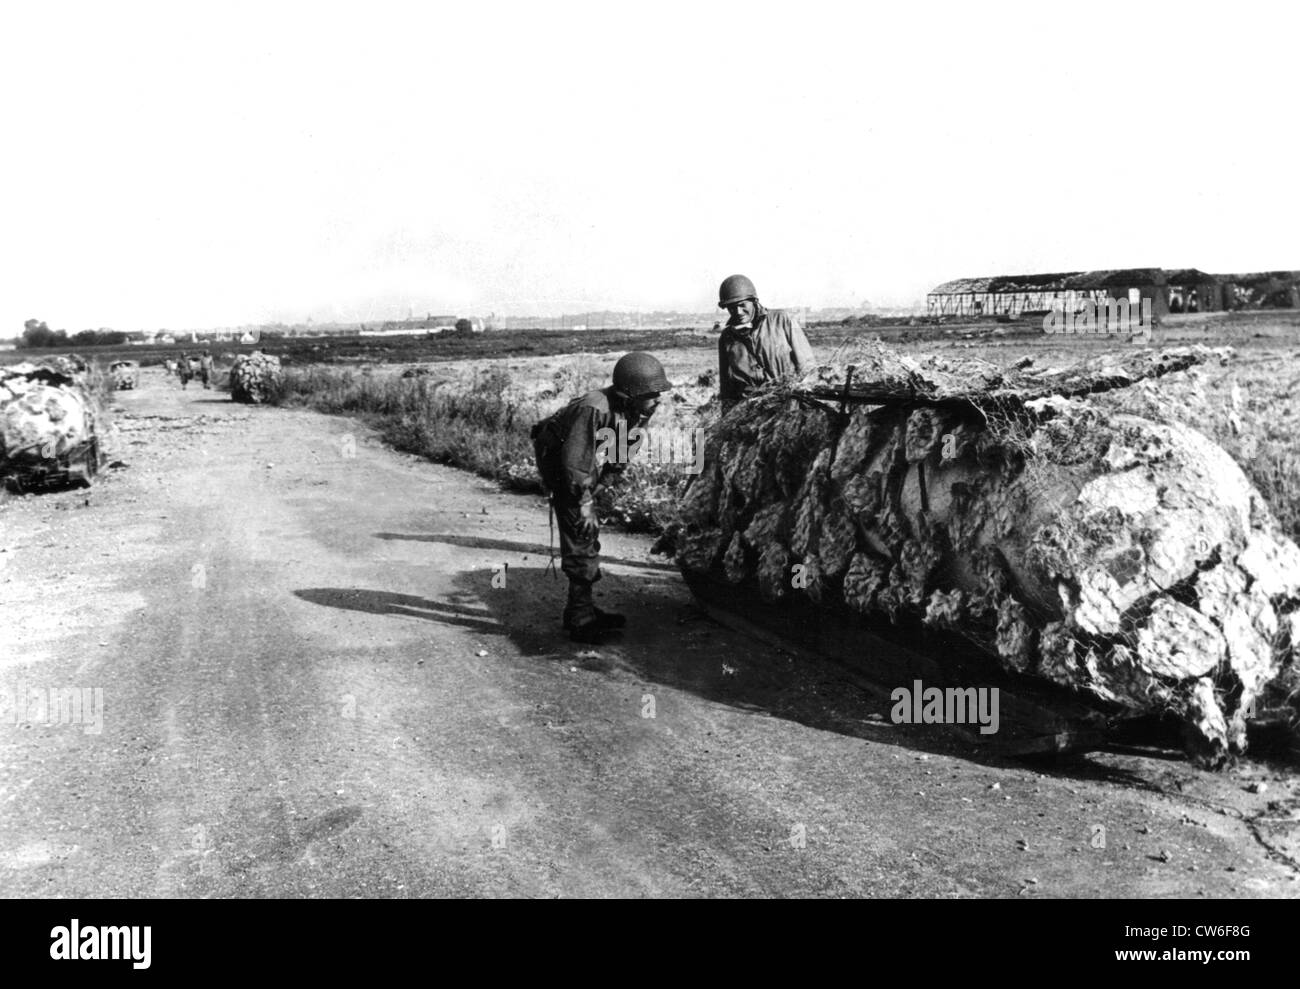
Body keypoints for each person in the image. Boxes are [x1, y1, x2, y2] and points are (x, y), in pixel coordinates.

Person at [531, 352, 671, 643]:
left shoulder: (639, 408)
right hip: (559, 459)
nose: (658, 399)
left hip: (578, 460)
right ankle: (580, 618)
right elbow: (574, 463)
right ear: (629, 393)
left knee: (587, 528)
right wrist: (583, 503)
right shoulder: (593, 409)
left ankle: (582, 608)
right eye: (652, 394)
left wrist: (602, 486)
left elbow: (622, 451)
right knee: (580, 532)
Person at [715, 274, 814, 406]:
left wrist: (805, 402)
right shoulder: (727, 337)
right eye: (731, 307)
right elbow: (726, 386)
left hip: (788, 403)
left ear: (753, 301)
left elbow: (807, 366)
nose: (738, 311)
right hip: (749, 408)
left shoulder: (782, 320)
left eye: (742, 305)